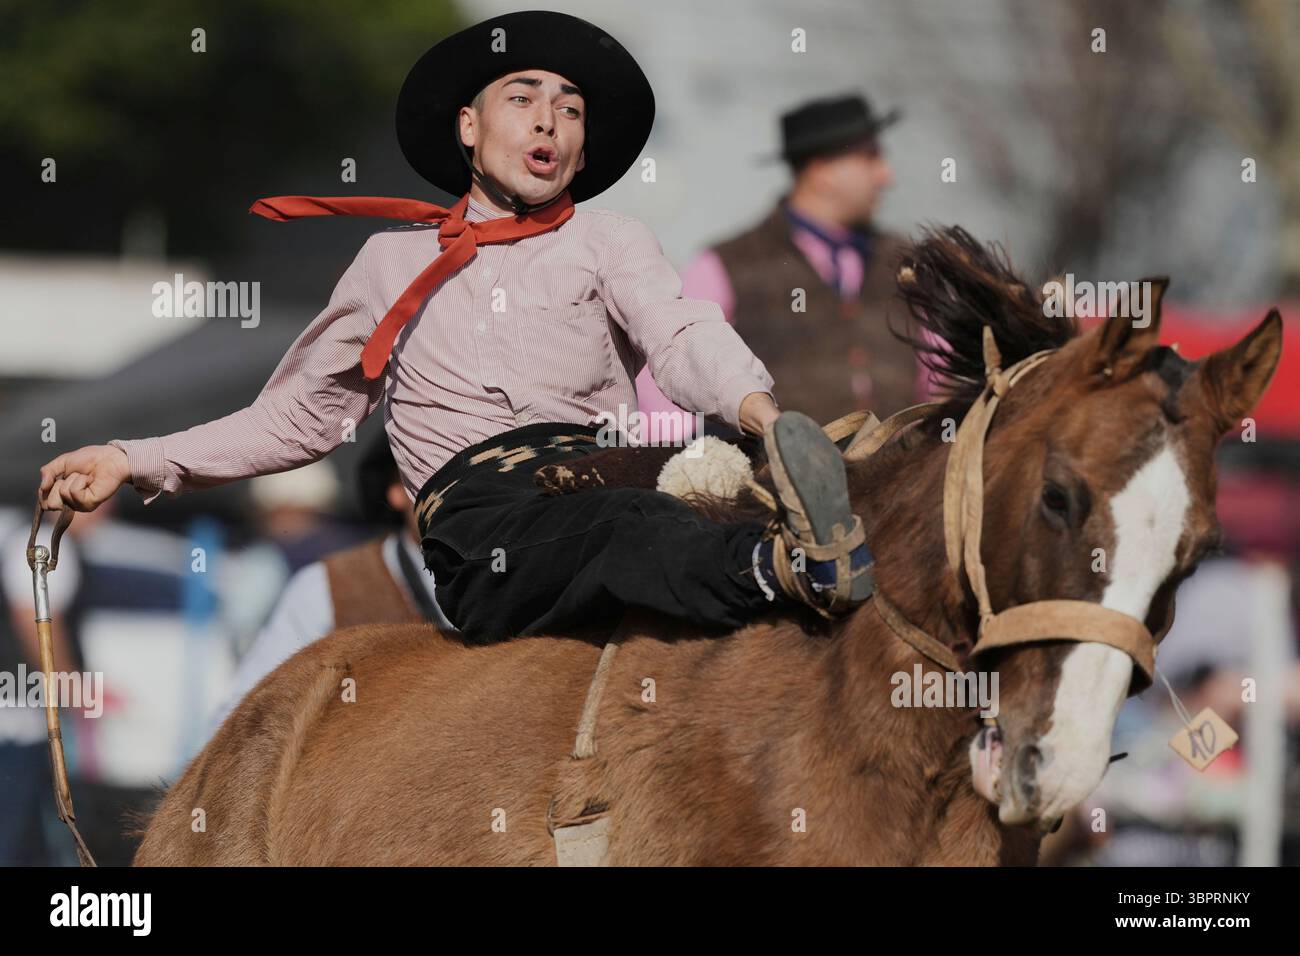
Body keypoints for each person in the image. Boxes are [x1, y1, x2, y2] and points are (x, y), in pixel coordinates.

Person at [38, 11, 874, 645]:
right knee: (632, 530)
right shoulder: (385, 265)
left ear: (582, 153)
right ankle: (791, 570)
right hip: (486, 528)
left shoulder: (611, 241)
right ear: (469, 130)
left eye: (570, 109)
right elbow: (297, 418)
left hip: (613, 473)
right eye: (524, 98)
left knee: (684, 509)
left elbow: (680, 331)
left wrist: (764, 415)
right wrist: (130, 456)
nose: (550, 120)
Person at [638, 92, 922, 430]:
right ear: (822, 172)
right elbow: (676, 365)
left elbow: (944, 377)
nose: (885, 176)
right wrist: (686, 464)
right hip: (773, 477)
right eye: (870, 158)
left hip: (902, 475)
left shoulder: (909, 262)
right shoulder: (724, 264)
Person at [204, 429, 455, 738]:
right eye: (439, 470)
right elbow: (240, 723)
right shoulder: (324, 584)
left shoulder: (522, 577)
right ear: (396, 489)